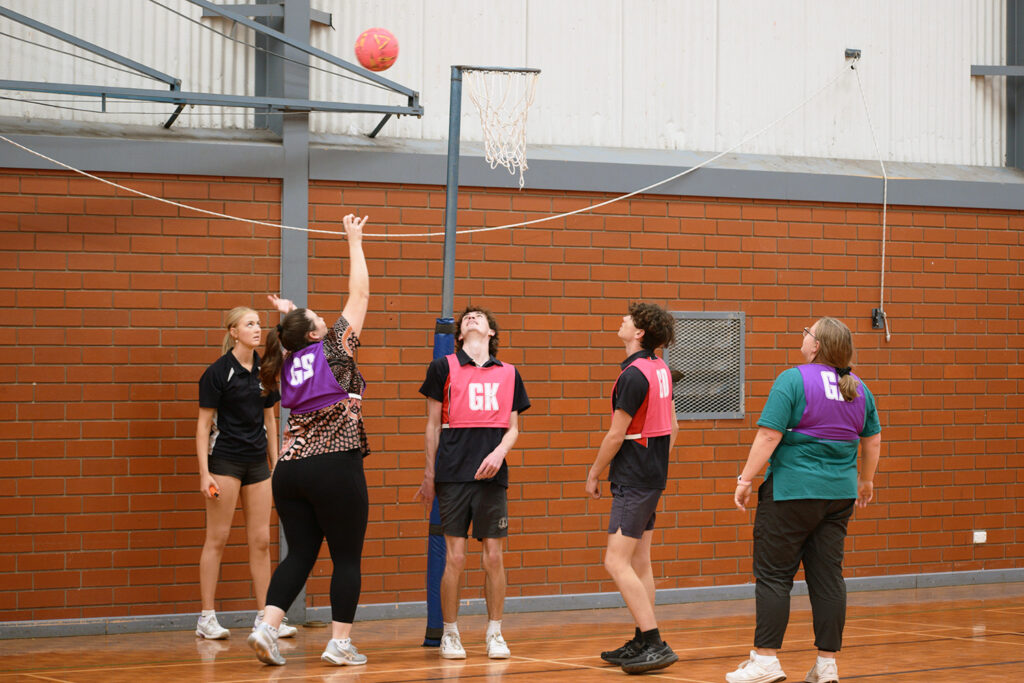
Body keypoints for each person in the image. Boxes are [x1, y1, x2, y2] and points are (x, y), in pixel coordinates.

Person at [725, 317, 881, 683]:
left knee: (774, 576)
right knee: (828, 578)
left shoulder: (792, 379)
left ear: (817, 345)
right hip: (839, 496)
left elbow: (768, 436)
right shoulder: (859, 388)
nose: (804, 336)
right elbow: (872, 439)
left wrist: (745, 479)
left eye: (807, 332)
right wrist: (866, 480)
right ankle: (827, 665)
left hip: (792, 492)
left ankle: (766, 660)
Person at [247, 213, 371, 667]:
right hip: (334, 464)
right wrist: (353, 240)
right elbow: (360, 293)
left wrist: (290, 314)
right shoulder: (336, 348)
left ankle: (267, 625)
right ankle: (339, 644)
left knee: (300, 552)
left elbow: (293, 334)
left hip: (290, 469)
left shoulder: (285, 358)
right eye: (320, 318)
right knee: (347, 557)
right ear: (319, 334)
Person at [414, 306, 530, 661]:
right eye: (467, 319)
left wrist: (499, 454)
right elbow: (432, 425)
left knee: (493, 557)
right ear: (460, 335)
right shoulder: (443, 367)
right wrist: (429, 475)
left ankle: (495, 632)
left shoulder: (509, 373)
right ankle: (450, 633)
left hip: (492, 476)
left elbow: (513, 428)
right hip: (452, 474)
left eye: (480, 317)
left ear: (491, 332)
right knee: (456, 557)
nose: (472, 319)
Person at [586, 302, 680, 675]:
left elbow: (615, 434)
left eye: (629, 319)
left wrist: (594, 472)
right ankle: (643, 638)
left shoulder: (633, 376)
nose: (622, 320)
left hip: (634, 478)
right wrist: (657, 463)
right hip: (651, 475)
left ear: (640, 333)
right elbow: (673, 428)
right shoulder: (660, 369)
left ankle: (655, 642)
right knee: (640, 562)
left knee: (615, 560)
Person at [195, 307, 296, 640]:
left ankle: (265, 618)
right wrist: (204, 474)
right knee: (218, 538)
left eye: (258, 323)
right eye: (249, 324)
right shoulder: (218, 373)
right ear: (234, 332)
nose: (257, 328)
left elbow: (270, 422)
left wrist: (276, 464)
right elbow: (203, 425)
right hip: (224, 462)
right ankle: (206, 618)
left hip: (257, 465)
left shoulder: (265, 372)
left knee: (261, 542)